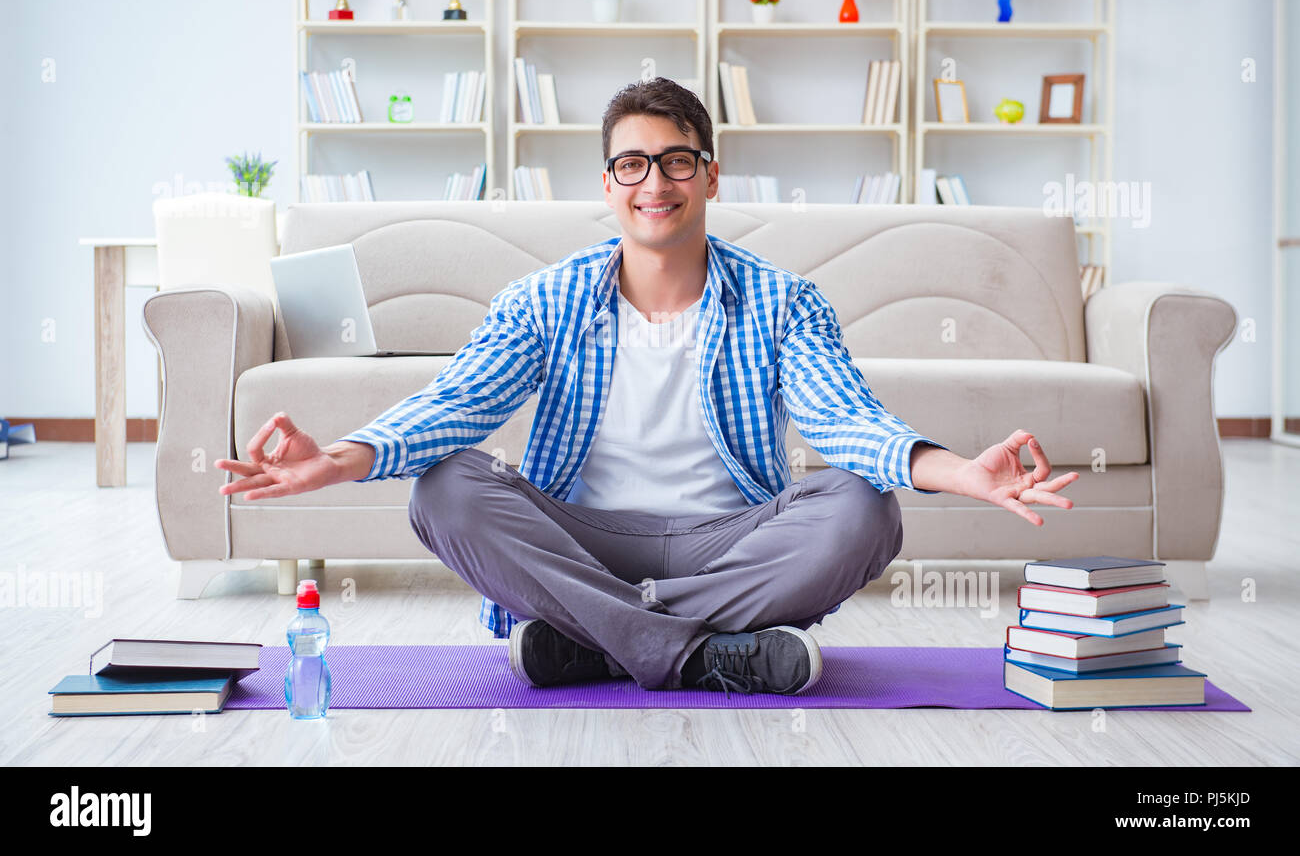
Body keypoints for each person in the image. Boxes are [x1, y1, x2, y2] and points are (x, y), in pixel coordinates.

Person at [214, 77, 1078, 698]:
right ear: (607, 185)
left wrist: (959, 469)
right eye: (632, 165)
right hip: (582, 540)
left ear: (709, 174)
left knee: (863, 506)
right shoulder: (545, 299)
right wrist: (334, 459)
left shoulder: (781, 301)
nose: (654, 184)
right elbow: (456, 403)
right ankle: (708, 657)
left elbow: (843, 417)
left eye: (674, 162)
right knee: (446, 486)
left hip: (730, 540)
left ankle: (594, 643)